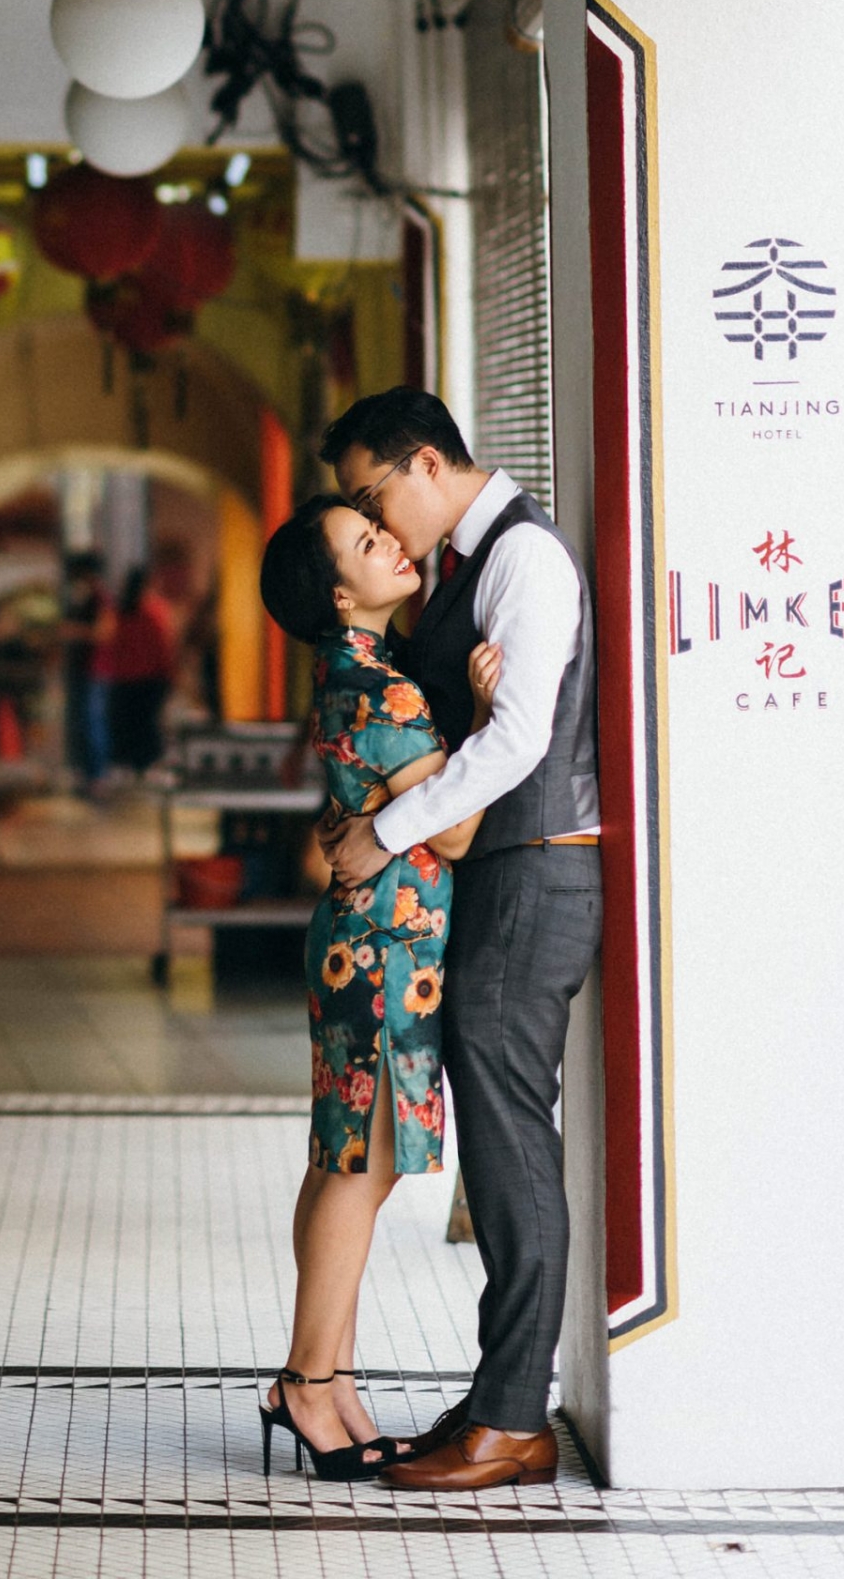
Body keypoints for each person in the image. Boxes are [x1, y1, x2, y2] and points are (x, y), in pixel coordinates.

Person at [317, 388, 600, 1495]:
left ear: (425, 463)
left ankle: (513, 1420)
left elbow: (521, 738)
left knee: (511, 1141)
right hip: (501, 875)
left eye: (372, 494)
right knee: (496, 1141)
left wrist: (380, 835)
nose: (378, 525)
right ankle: (497, 1400)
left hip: (536, 872)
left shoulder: (522, 560)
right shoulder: (467, 571)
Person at [257, 495, 500, 1482]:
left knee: (347, 1161)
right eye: (367, 544)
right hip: (384, 957)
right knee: (362, 1166)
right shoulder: (379, 688)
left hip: (369, 948)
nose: (393, 544)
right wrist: (488, 715)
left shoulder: (355, 672)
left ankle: (327, 1378)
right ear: (336, 593)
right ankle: (310, 1384)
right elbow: (452, 831)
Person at [105, 565, 174, 776]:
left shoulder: (121, 611)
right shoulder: (155, 611)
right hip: (150, 678)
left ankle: (130, 769)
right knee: (147, 726)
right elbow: (163, 646)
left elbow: (112, 644)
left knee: (127, 726)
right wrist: (170, 674)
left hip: (124, 678)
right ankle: (145, 769)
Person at [59, 552, 114, 787]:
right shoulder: (82, 598)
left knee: (94, 723)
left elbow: (105, 633)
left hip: (95, 670)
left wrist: (73, 631)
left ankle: (98, 775)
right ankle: (87, 773)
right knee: (83, 722)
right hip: (82, 669)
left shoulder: (100, 598)